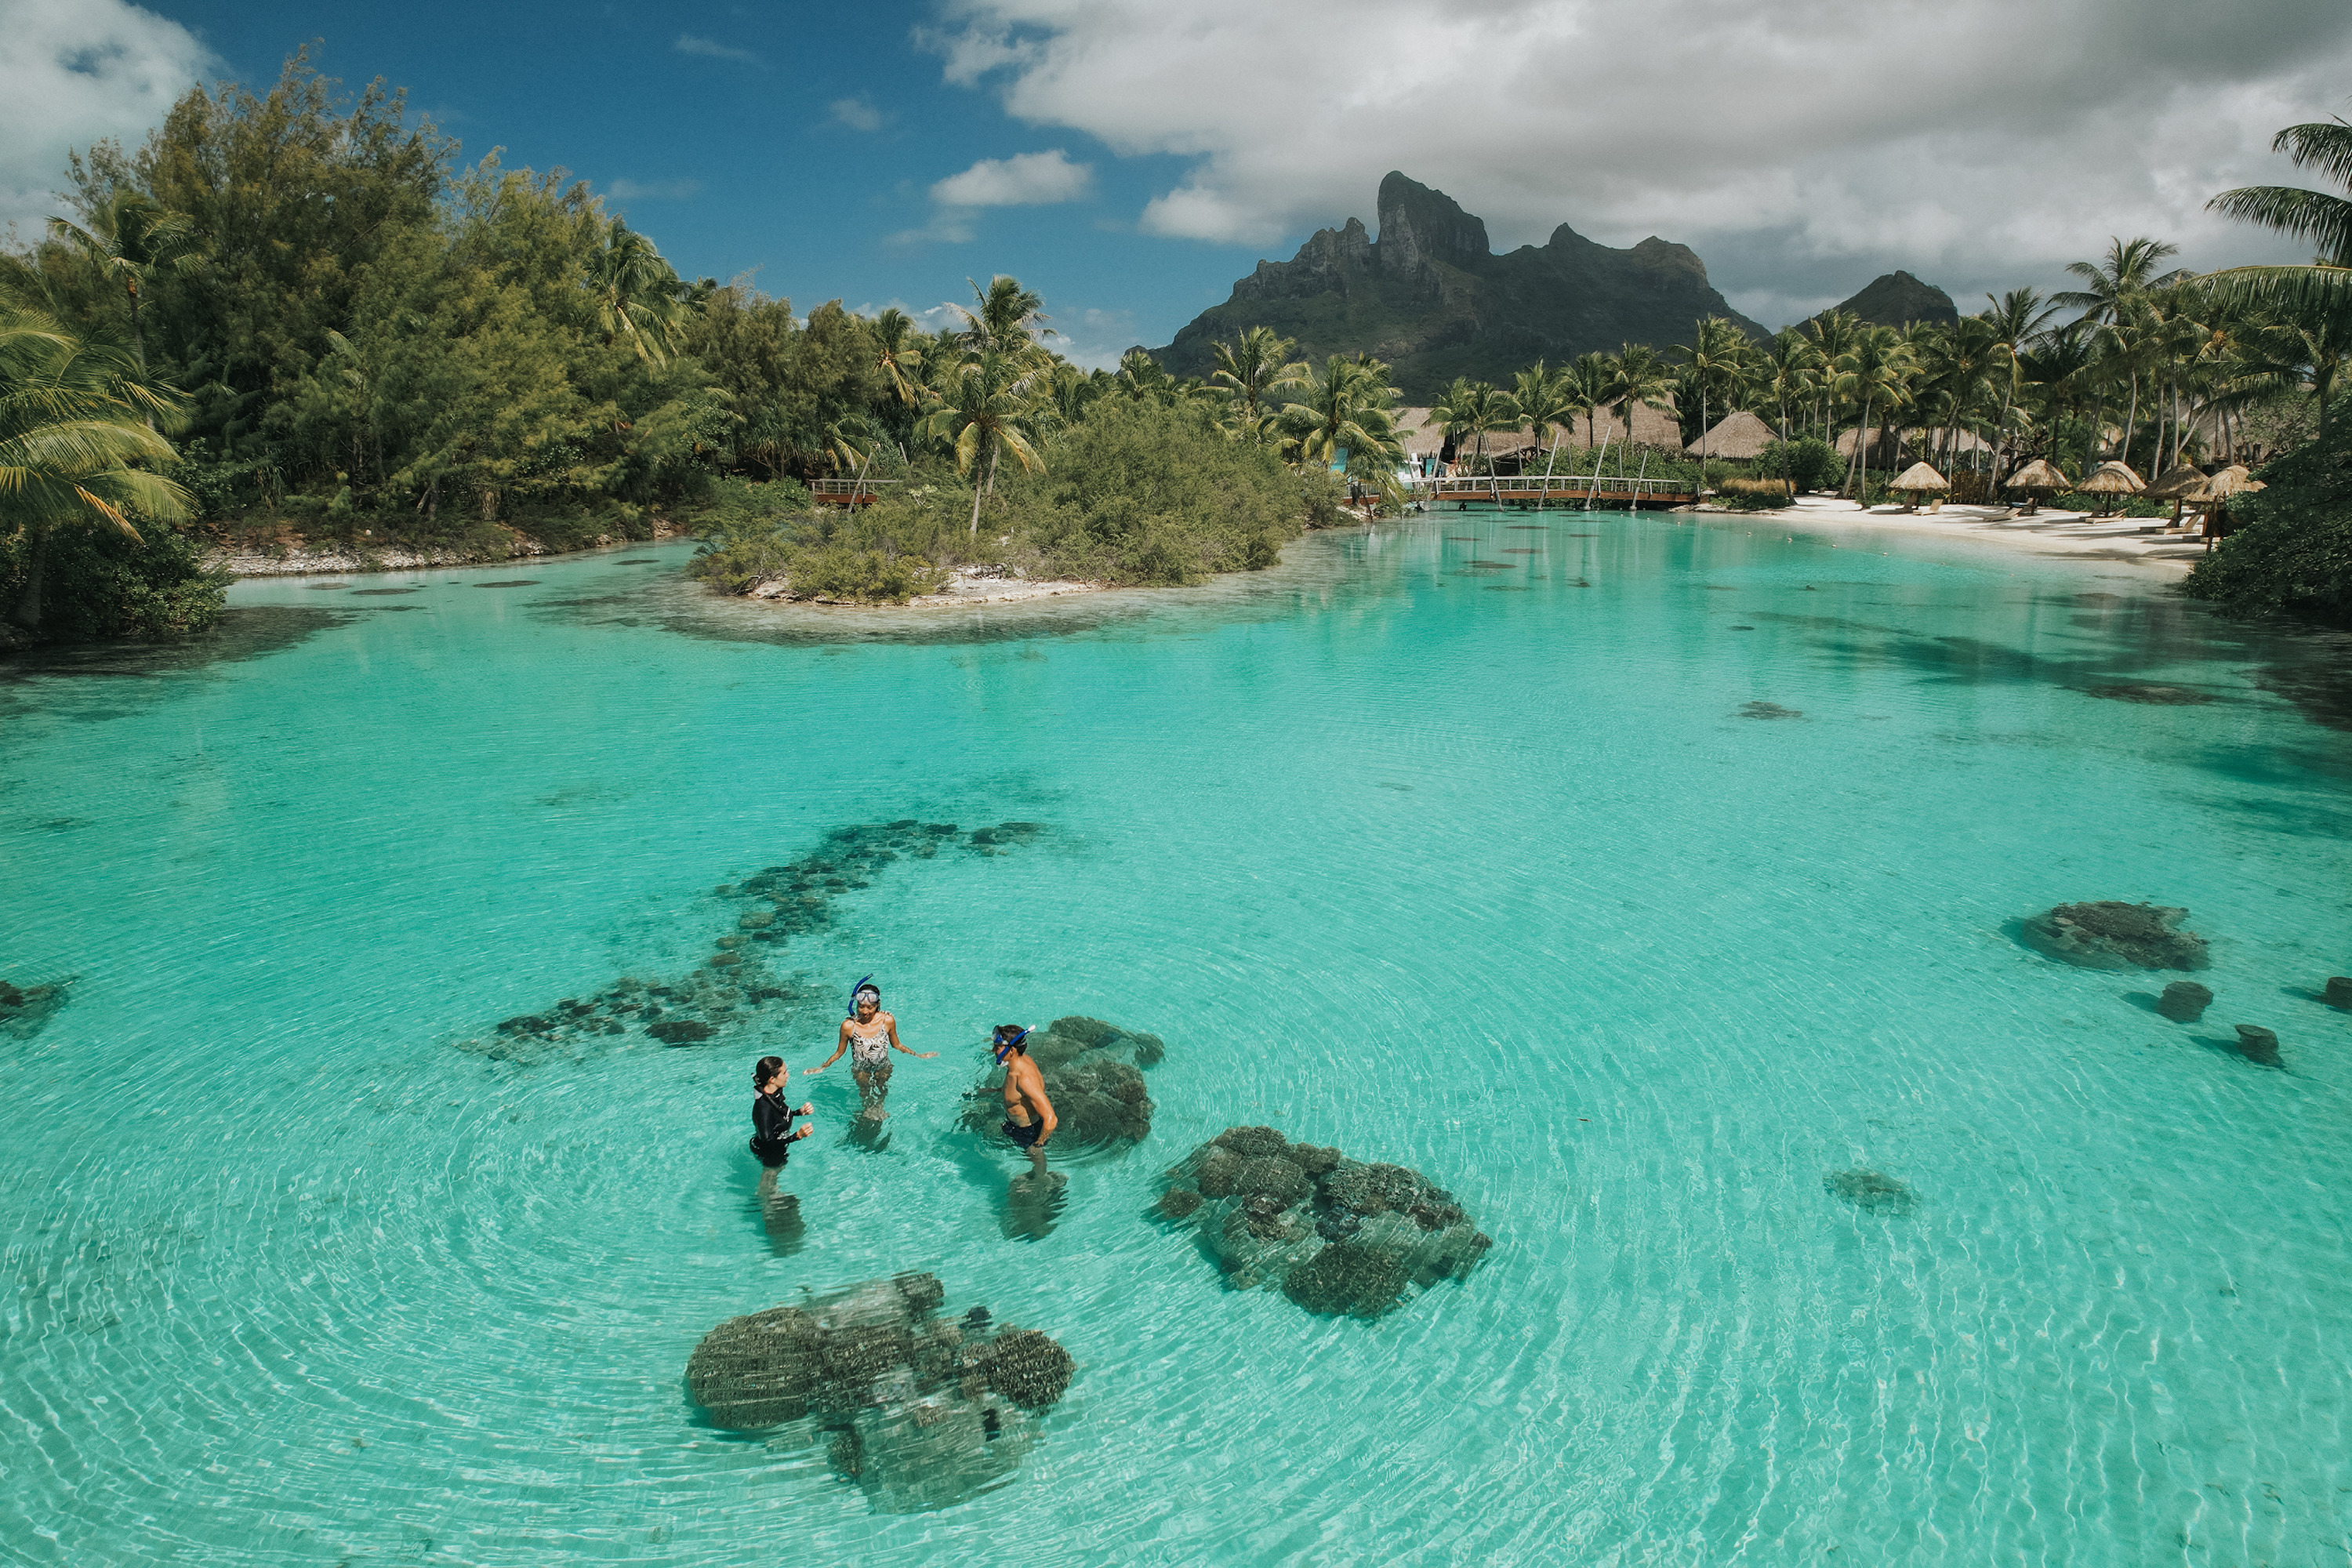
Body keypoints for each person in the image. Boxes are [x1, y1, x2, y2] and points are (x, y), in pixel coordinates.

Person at [808, 976, 935, 1120]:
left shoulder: (887, 1020)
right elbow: (839, 1053)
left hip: (883, 1065)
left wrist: (917, 1055)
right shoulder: (848, 1026)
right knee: (865, 1094)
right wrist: (822, 1067)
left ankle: (879, 1108)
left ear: (877, 1004)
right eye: (861, 1006)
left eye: (870, 1007)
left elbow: (897, 1045)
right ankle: (868, 1112)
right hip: (861, 1069)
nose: (865, 1011)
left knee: (882, 1090)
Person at [991, 1025, 1058, 1178]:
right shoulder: (1020, 1062)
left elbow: (1051, 1119)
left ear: (1012, 1051)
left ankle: (1042, 1181)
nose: (993, 1050)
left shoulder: (1024, 1079)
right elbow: (1015, 1092)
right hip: (1014, 1123)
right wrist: (991, 1091)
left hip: (1027, 1132)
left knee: (1037, 1163)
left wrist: (1038, 1144)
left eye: (997, 1047)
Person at [749, 1055, 812, 1196]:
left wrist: (799, 1112)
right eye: (784, 1072)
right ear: (772, 1079)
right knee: (768, 1187)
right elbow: (767, 1141)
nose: (788, 1075)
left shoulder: (774, 1094)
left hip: (779, 1145)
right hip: (770, 1153)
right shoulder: (763, 1107)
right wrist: (797, 1136)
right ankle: (764, 1205)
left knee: (776, 1182)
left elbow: (779, 1114)